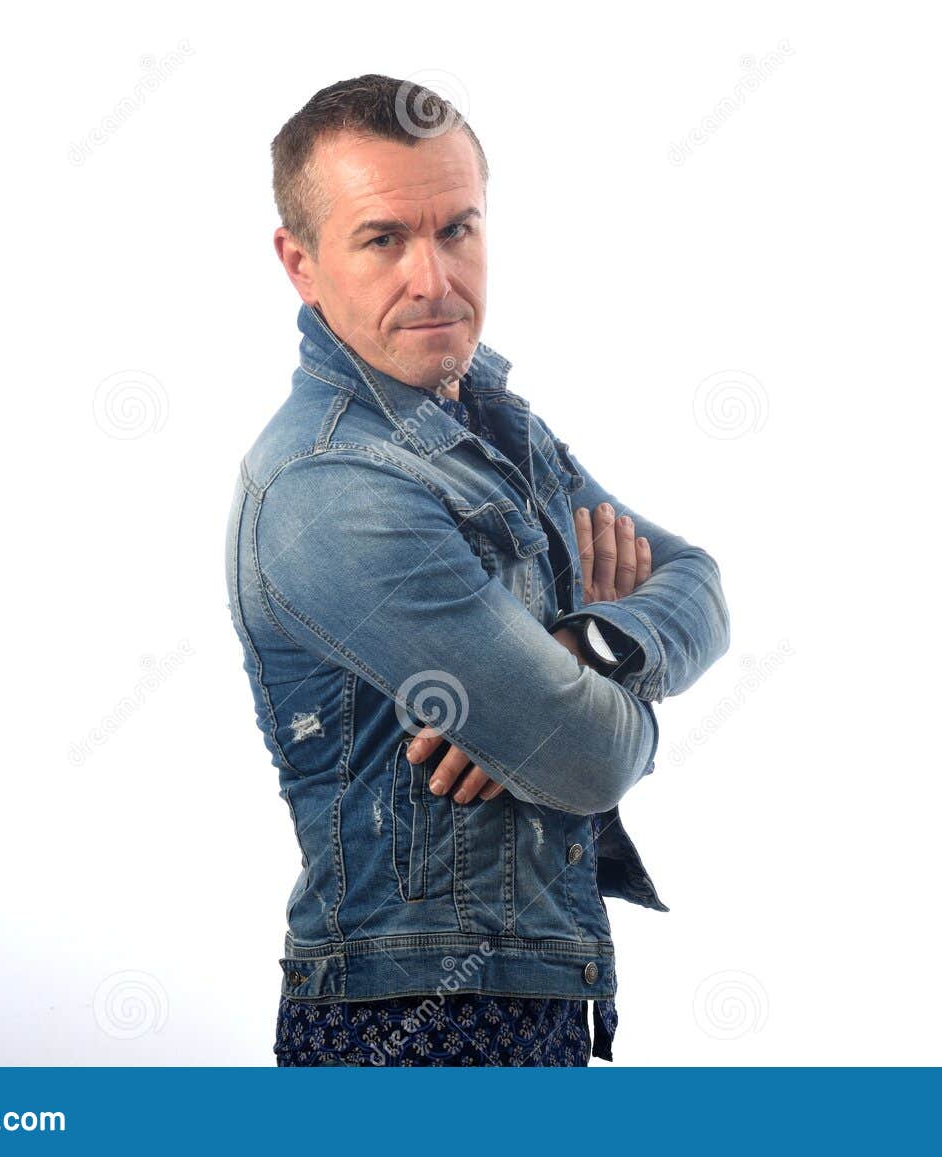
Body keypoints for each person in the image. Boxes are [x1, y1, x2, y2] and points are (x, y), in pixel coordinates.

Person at [224, 74, 730, 1065]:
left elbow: (698, 579)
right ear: (301, 263)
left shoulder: (495, 421)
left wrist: (587, 642)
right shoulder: (331, 486)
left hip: (538, 997)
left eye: (457, 229)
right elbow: (586, 757)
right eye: (383, 240)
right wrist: (561, 708)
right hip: (405, 1033)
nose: (432, 278)